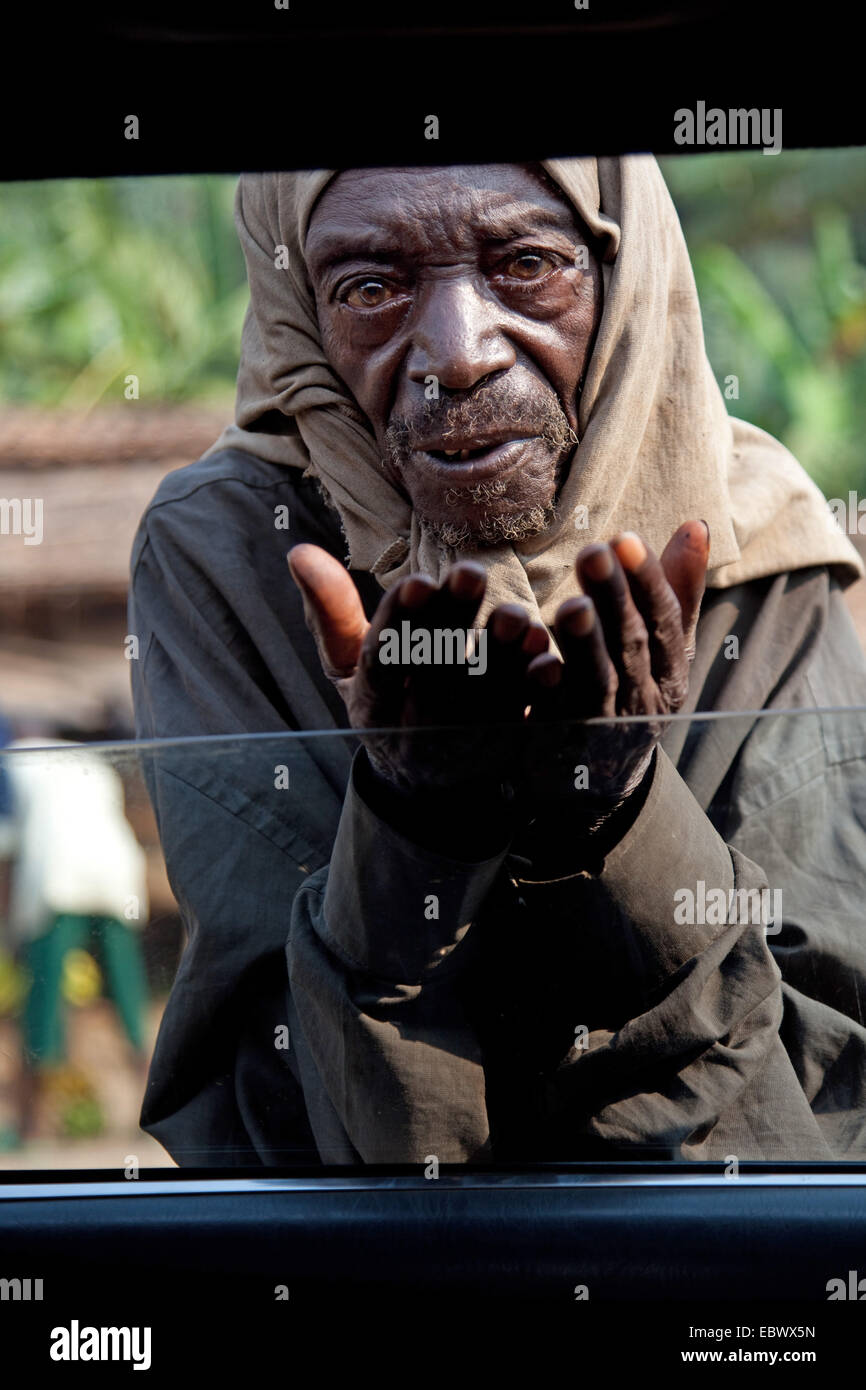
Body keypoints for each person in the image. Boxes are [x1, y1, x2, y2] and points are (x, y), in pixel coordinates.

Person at [129, 157, 866, 1167]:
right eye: (370, 288)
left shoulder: (755, 547)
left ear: (622, 272)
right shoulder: (231, 548)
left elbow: (823, 1122)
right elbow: (264, 1125)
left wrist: (614, 814)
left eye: (526, 265)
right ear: (300, 313)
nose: (458, 355)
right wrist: (414, 822)